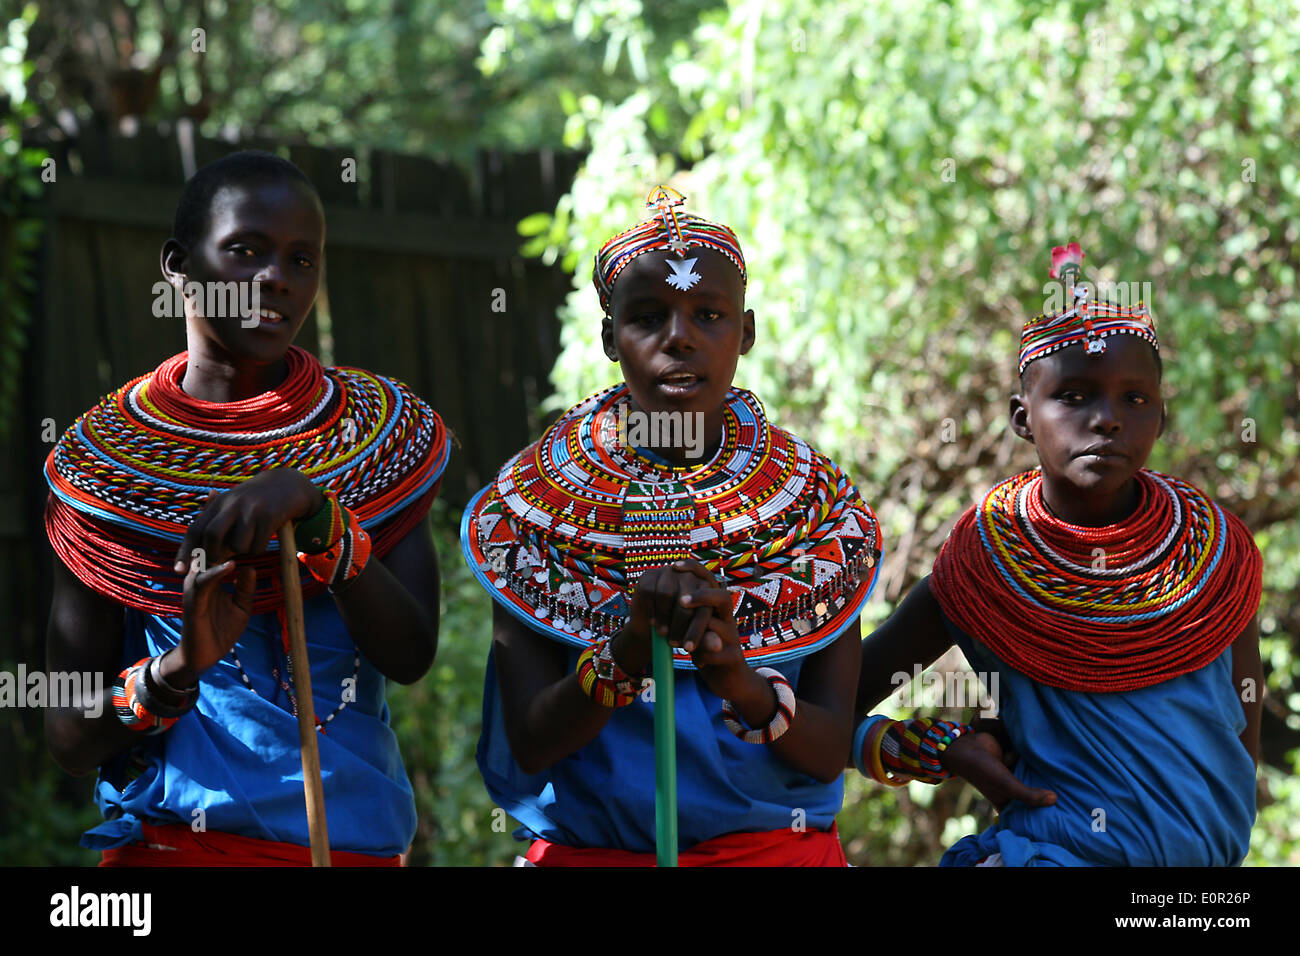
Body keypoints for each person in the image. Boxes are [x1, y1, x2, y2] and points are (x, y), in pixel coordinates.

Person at [44, 150, 451, 865]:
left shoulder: (377, 443)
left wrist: (321, 518)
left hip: (352, 851)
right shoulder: (108, 472)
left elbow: (410, 653)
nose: (276, 280)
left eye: (302, 260)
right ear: (178, 265)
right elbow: (69, 736)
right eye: (246, 250)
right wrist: (178, 669)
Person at [461, 186, 883, 865]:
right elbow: (532, 742)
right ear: (608, 337)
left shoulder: (816, 512)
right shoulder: (533, 513)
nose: (679, 336)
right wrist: (628, 649)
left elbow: (830, 750)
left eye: (708, 314)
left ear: (744, 332)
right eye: (649, 316)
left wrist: (740, 682)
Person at [849, 242, 1262, 866]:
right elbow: (835, 697)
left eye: (1135, 399)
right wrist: (935, 749)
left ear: (1161, 416)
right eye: (1073, 396)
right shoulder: (987, 563)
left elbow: (1241, 732)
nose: (1108, 420)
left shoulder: (1215, 554)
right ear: (1022, 417)